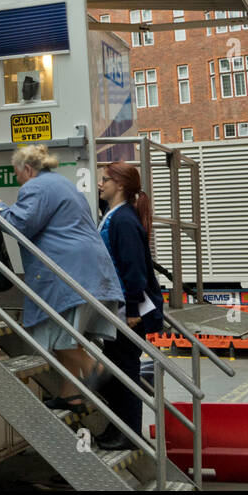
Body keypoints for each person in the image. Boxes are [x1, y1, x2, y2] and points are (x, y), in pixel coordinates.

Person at [0, 145, 124, 413]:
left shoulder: (35, 188)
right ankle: (71, 396)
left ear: (27, 169)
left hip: (67, 272)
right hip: (90, 269)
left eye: (17, 174)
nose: (17, 180)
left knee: (53, 334)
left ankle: (94, 367)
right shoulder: (63, 184)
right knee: (65, 336)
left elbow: (18, 225)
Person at [94, 161, 165, 450]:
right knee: (116, 371)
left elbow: (133, 268)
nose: (100, 184)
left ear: (120, 185)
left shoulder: (123, 220)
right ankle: (118, 428)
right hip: (118, 309)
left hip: (128, 312)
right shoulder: (116, 215)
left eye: (105, 179)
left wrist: (134, 310)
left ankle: (130, 434)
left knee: (125, 371)